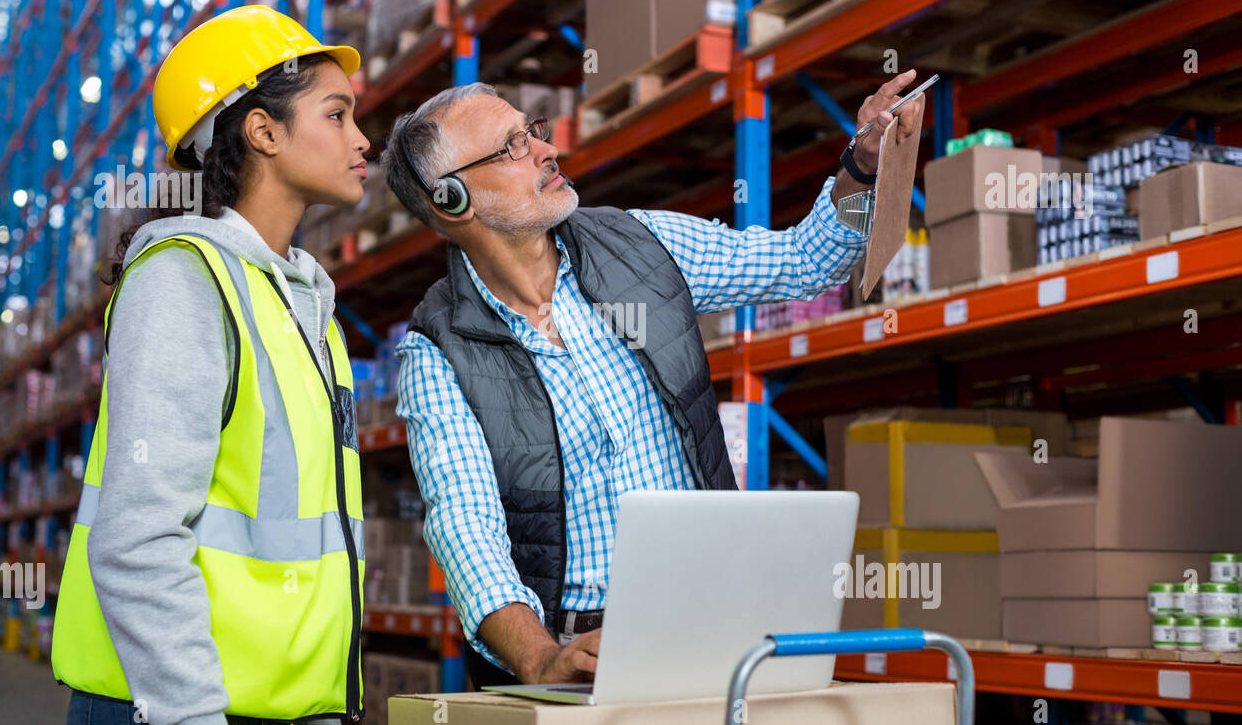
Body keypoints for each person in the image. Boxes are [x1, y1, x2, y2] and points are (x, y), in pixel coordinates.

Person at [379, 72, 923, 688]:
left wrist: (861, 165)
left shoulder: (642, 245)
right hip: (582, 657)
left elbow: (802, 262)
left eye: (533, 131)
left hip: (719, 624)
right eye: (513, 147)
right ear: (452, 200)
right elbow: (466, 529)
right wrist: (539, 659)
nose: (548, 150)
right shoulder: (439, 351)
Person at [52, 5, 372, 725]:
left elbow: (308, 533)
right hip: (163, 723)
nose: (363, 140)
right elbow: (137, 539)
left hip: (251, 717)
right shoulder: (184, 281)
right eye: (337, 114)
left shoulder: (304, 307)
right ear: (263, 131)